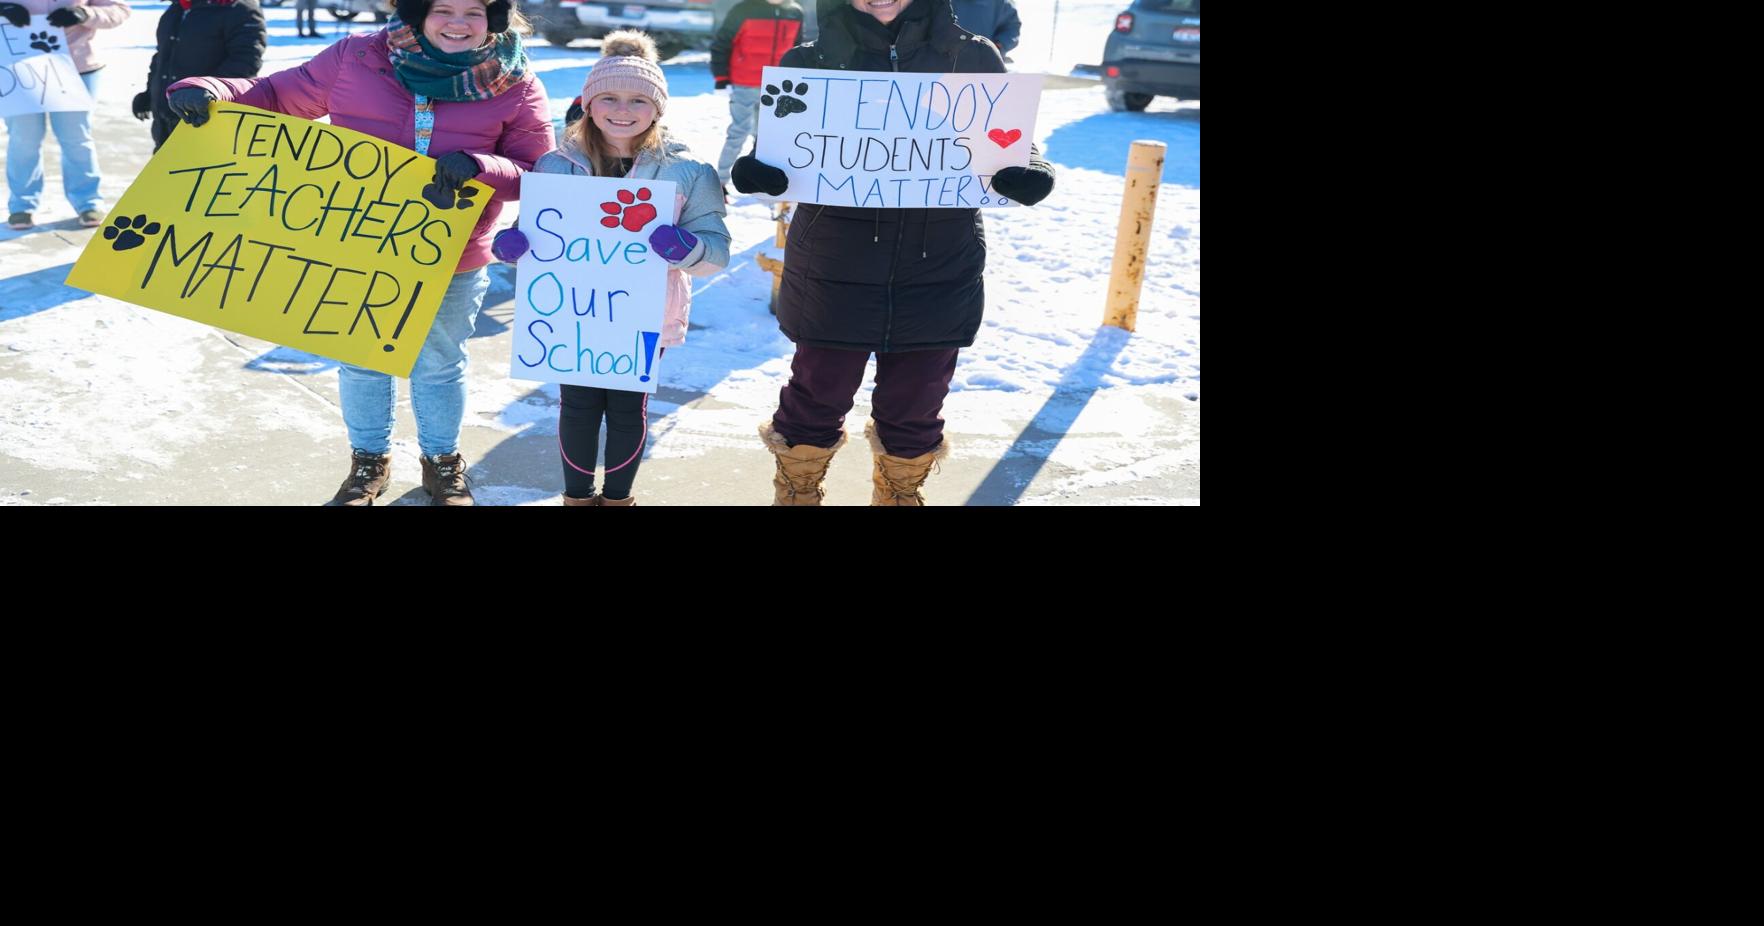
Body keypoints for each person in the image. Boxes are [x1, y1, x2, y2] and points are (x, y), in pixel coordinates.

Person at [164, 0, 554, 505]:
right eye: (443, 8)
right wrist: (211, 89)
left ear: (494, 19)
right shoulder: (358, 56)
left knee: (438, 363)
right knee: (361, 359)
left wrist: (479, 167)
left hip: (452, 251)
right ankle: (368, 461)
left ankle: (443, 463)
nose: (458, 22)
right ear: (418, 12)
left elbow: (535, 170)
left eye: (474, 11)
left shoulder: (514, 81)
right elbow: (277, 95)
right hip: (357, 245)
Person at [732, 0, 1054, 505]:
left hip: (940, 263)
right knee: (815, 395)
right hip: (834, 263)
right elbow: (778, 146)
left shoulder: (972, 57)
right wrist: (759, 170)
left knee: (917, 403)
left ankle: (901, 494)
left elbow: (1011, 137)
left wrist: (1032, 168)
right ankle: (797, 491)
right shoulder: (809, 63)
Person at [490, 31, 730, 506]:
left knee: (626, 407)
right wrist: (513, 244)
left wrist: (685, 248)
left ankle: (619, 499)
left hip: (644, 314)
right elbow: (531, 236)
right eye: (610, 98)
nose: (624, 109)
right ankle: (577, 498)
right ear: (588, 103)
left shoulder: (687, 171)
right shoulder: (556, 165)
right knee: (577, 405)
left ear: (658, 108)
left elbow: (716, 252)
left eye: (639, 99)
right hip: (572, 313)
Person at [2, 0, 131, 230]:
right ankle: (22, 205)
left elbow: (119, 9)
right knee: (23, 138)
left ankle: (87, 201)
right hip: (18, 65)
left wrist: (84, 13)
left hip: (76, 66)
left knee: (76, 138)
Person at [132, 0, 266, 152]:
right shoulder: (178, 8)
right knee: (164, 173)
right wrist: (150, 94)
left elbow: (245, 62)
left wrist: (205, 91)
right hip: (165, 121)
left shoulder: (238, 9)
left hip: (205, 120)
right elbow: (163, 56)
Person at [708, 0, 801, 191]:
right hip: (744, 82)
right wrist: (721, 77)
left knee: (766, 136)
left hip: (777, 86)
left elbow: (797, 50)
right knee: (739, 131)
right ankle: (720, 181)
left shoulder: (794, 12)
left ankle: (761, 181)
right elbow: (722, 43)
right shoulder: (744, 9)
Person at [951, 0, 1018, 57]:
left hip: (983, 63)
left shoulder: (1001, 3)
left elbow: (1012, 28)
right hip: (948, 60)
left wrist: (998, 46)